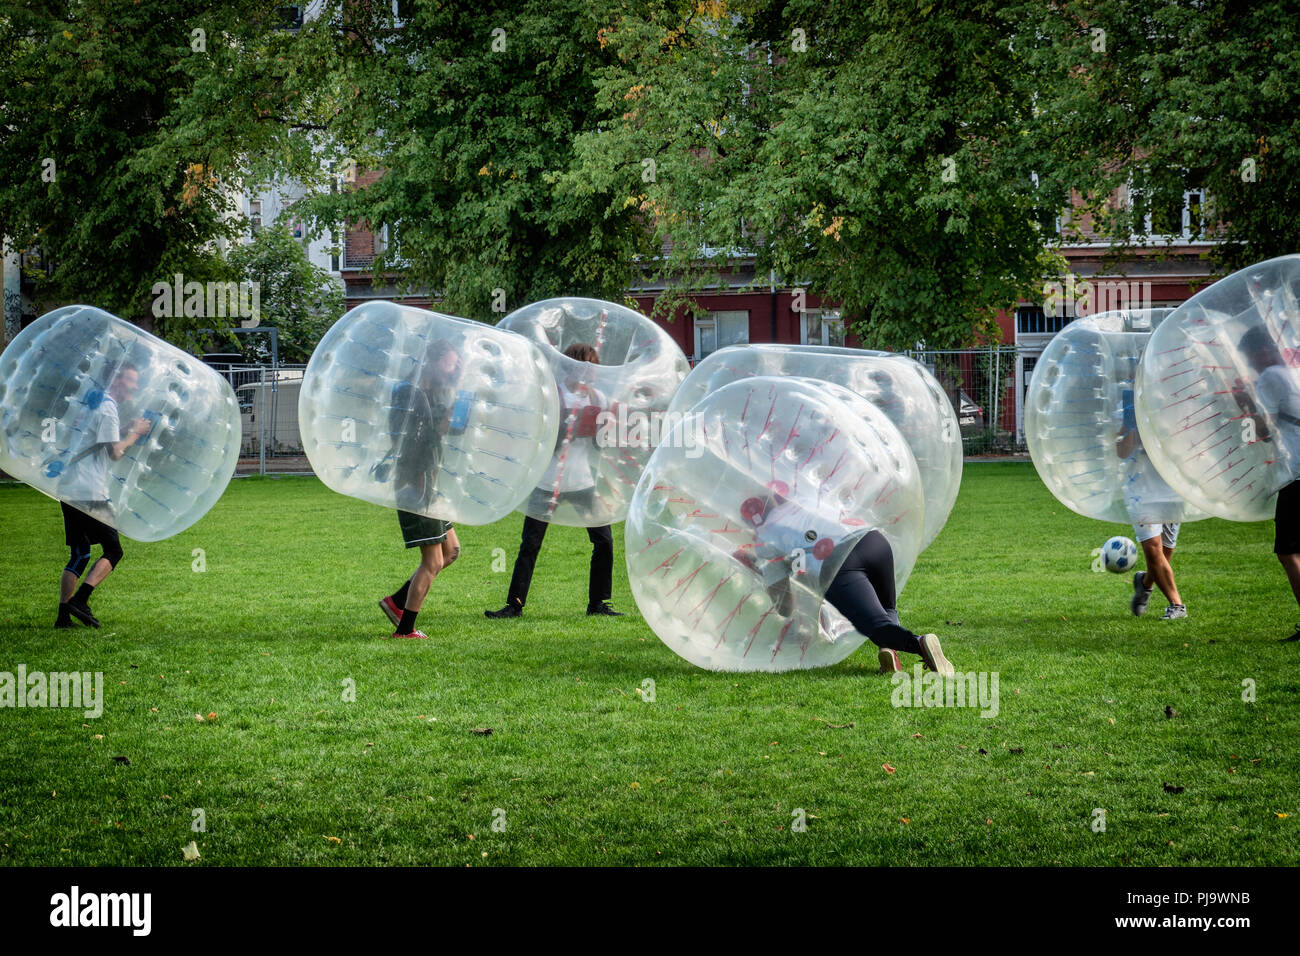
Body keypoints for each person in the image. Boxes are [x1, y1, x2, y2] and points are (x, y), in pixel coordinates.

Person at [734, 481, 954, 676]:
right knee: (887, 608)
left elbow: (785, 607)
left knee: (875, 625)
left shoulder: (765, 539)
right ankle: (889, 651)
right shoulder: (804, 499)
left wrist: (757, 568)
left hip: (839, 566)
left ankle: (920, 644)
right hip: (874, 541)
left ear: (750, 524)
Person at [485, 342, 624, 618]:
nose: (592, 372)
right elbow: (537, 436)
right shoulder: (553, 396)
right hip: (549, 481)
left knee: (604, 541)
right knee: (531, 543)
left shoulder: (598, 399)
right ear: (573, 367)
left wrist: (599, 431)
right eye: (587, 365)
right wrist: (566, 431)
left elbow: (602, 445)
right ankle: (515, 604)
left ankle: (598, 603)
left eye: (595, 366)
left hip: (583, 481)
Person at [53, 363, 152, 628]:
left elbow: (96, 442)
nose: (135, 387)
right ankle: (80, 601)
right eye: (131, 381)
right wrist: (135, 434)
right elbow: (114, 453)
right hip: (90, 492)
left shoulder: (92, 403)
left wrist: (123, 430)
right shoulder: (108, 407)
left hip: (70, 488)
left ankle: (63, 617)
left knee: (80, 554)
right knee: (114, 550)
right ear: (116, 380)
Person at [376, 338, 463, 639]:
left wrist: (458, 402)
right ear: (435, 362)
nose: (453, 370)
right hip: (416, 483)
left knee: (451, 550)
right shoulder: (408, 393)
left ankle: (397, 601)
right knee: (433, 560)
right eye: (451, 364)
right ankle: (405, 629)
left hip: (430, 483)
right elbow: (412, 439)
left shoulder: (430, 393)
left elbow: (452, 429)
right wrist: (443, 421)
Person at [1237, 325, 1300, 641]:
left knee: (1288, 551)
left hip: (1297, 472)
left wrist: (1244, 403)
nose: (1250, 366)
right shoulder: (1293, 371)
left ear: (1261, 351)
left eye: (1249, 358)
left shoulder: (1270, 376)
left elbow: (1258, 432)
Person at [1116, 383, 1186, 619]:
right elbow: (1122, 452)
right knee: (1153, 548)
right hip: (1140, 488)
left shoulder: (1175, 404)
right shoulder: (1125, 406)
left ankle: (1145, 584)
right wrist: (1129, 422)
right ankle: (1177, 605)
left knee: (1164, 553)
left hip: (1171, 485)